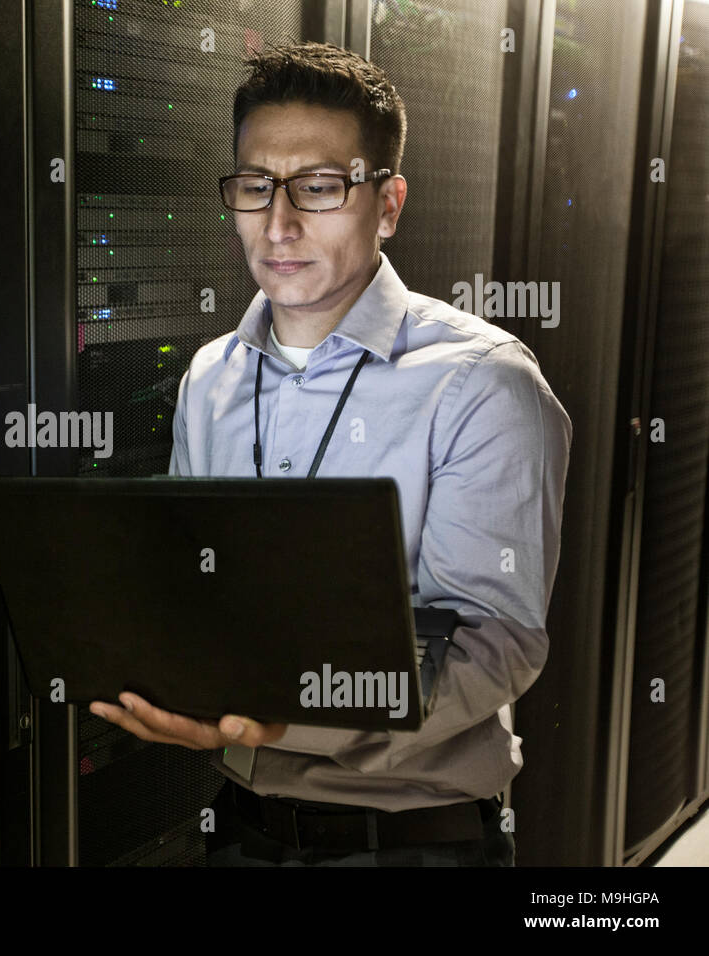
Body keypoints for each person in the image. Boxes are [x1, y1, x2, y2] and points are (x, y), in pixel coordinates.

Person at [89, 41, 572, 867]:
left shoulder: (483, 385)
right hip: (239, 826)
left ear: (387, 204)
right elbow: (190, 591)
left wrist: (288, 719)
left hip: (407, 844)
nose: (278, 225)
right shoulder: (210, 377)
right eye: (255, 187)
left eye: (319, 187)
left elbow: (496, 648)